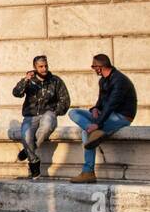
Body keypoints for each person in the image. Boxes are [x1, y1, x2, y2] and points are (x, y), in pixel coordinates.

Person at [67, 54, 138, 183]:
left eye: (93, 66)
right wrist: (95, 109)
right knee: (73, 112)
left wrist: (98, 124)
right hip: (106, 115)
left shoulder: (119, 80)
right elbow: (101, 103)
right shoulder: (103, 81)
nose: (93, 69)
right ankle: (93, 132)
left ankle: (88, 172)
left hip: (121, 117)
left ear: (100, 67)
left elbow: (111, 105)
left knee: (85, 133)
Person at [12, 56, 70, 179]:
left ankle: (27, 151)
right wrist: (25, 80)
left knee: (46, 126)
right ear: (35, 67)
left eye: (46, 66)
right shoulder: (30, 80)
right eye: (41, 67)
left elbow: (65, 101)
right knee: (26, 135)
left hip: (48, 113)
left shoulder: (55, 81)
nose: (44, 69)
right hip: (30, 116)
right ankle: (33, 161)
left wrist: (55, 111)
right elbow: (16, 93)